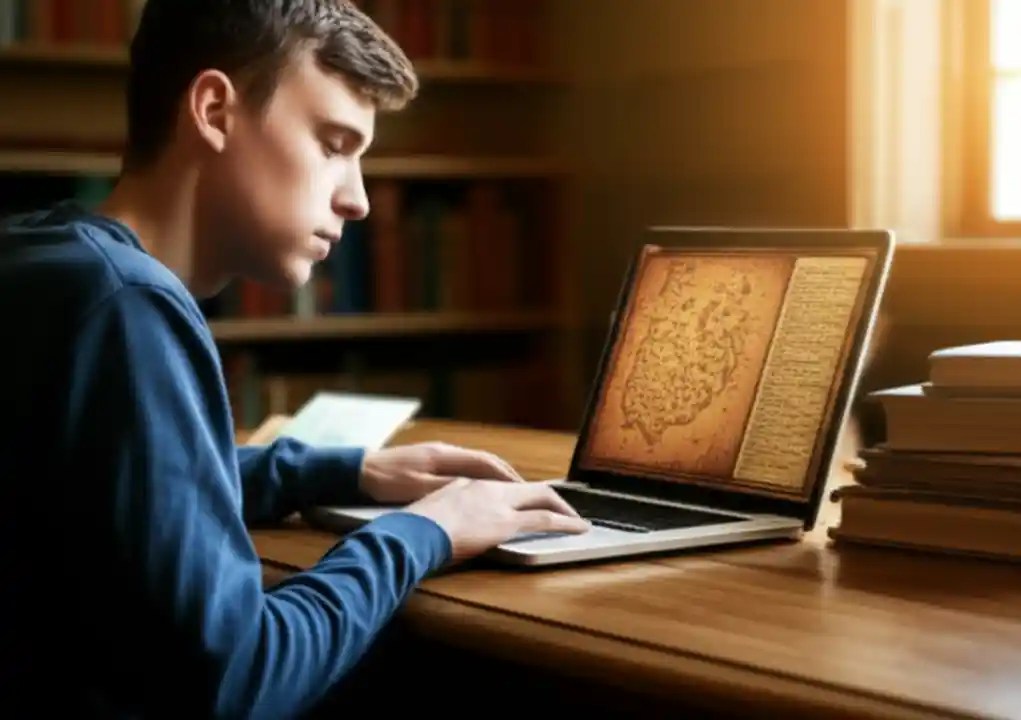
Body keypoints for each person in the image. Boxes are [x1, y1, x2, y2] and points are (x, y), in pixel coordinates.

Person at [0, 1, 590, 717]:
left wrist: (342, 472)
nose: (360, 200)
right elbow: (238, 680)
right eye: (334, 144)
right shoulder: (127, 307)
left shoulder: (47, 255)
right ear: (215, 110)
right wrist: (427, 532)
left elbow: (122, 482)